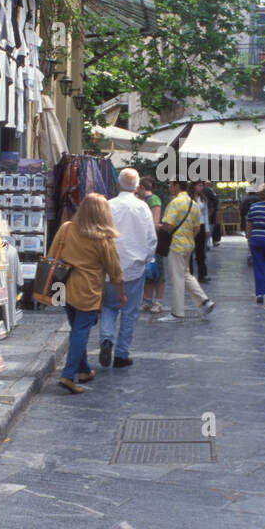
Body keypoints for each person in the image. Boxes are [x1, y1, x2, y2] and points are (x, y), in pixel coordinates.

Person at [46, 193, 125, 395]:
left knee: (76, 329)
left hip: (63, 287)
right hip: (87, 290)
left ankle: (83, 370)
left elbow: (51, 256)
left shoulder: (66, 228)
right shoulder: (103, 239)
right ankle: (68, 374)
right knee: (81, 331)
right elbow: (115, 271)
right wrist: (121, 294)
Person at [98, 168, 157, 370]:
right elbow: (151, 238)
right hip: (134, 268)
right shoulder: (142, 208)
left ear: (118, 184)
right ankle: (122, 354)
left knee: (108, 306)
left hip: (109, 268)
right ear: (137, 187)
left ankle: (106, 338)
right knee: (130, 312)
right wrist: (147, 259)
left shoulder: (107, 205)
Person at [160, 181, 213, 320]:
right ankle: (204, 301)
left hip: (176, 245)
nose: (169, 187)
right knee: (186, 274)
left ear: (177, 186)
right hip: (188, 244)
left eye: (170, 185)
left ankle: (177, 313)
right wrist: (187, 238)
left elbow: (168, 224)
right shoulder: (193, 203)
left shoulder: (175, 202)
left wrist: (159, 227)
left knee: (177, 278)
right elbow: (197, 228)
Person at [137, 177, 166, 313]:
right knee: (148, 272)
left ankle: (158, 301)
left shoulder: (153, 200)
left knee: (157, 271)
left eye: (137, 188)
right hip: (144, 241)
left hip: (154, 241)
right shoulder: (142, 200)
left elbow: (155, 222)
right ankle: (147, 300)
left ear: (142, 187)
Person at [193, 181, 211, 283]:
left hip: (201, 224)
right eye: (199, 185)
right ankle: (189, 274)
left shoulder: (203, 199)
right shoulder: (189, 198)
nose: (201, 187)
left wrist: (207, 229)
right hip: (191, 226)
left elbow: (205, 214)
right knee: (190, 251)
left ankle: (202, 274)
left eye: (202, 185)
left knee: (200, 251)